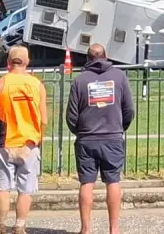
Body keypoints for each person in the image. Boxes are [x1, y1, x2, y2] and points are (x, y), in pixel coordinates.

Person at [66, 44, 134, 234]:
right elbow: (129, 109)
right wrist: (120, 127)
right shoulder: (119, 77)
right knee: (113, 181)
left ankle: (86, 229)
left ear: (87, 59)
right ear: (106, 56)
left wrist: (79, 131)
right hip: (112, 137)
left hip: (87, 138)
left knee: (86, 182)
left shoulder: (80, 81)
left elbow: (71, 114)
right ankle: (114, 229)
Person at [0, 46, 47, 234]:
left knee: (3, 187)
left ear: (8, 62)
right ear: (27, 62)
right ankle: (20, 225)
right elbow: (44, 120)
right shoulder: (37, 85)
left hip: (6, 142)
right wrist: (38, 139)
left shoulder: (0, 84)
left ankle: (0, 225)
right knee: (25, 189)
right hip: (29, 142)